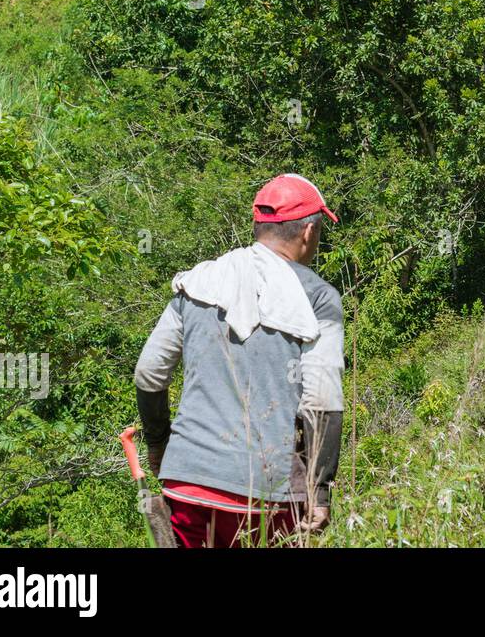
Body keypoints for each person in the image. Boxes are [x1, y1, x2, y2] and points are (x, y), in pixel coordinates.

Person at [133, 174, 345, 547]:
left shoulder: (198, 283)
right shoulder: (318, 298)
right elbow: (322, 402)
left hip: (188, 483)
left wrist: (159, 444)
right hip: (268, 493)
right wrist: (320, 491)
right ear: (309, 232)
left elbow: (150, 373)